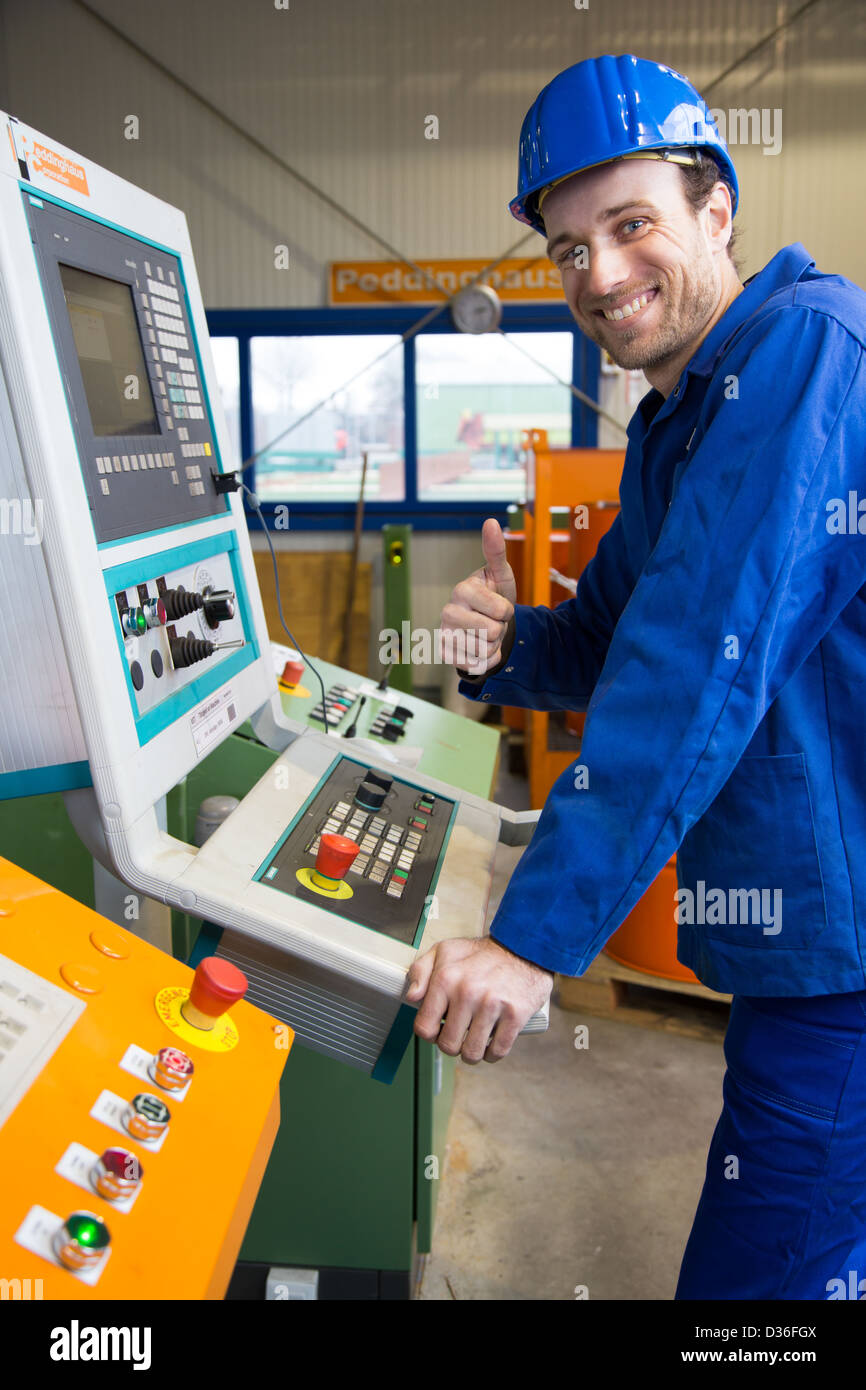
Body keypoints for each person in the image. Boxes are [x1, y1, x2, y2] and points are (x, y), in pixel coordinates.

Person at [405, 53, 866, 1300]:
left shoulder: (803, 355)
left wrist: (530, 939)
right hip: (799, 956)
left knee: (756, 1291)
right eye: (565, 249)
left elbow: (692, 665)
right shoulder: (678, 416)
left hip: (847, 959)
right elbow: (613, 633)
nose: (597, 275)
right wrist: (509, 648)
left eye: (629, 225)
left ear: (715, 210)